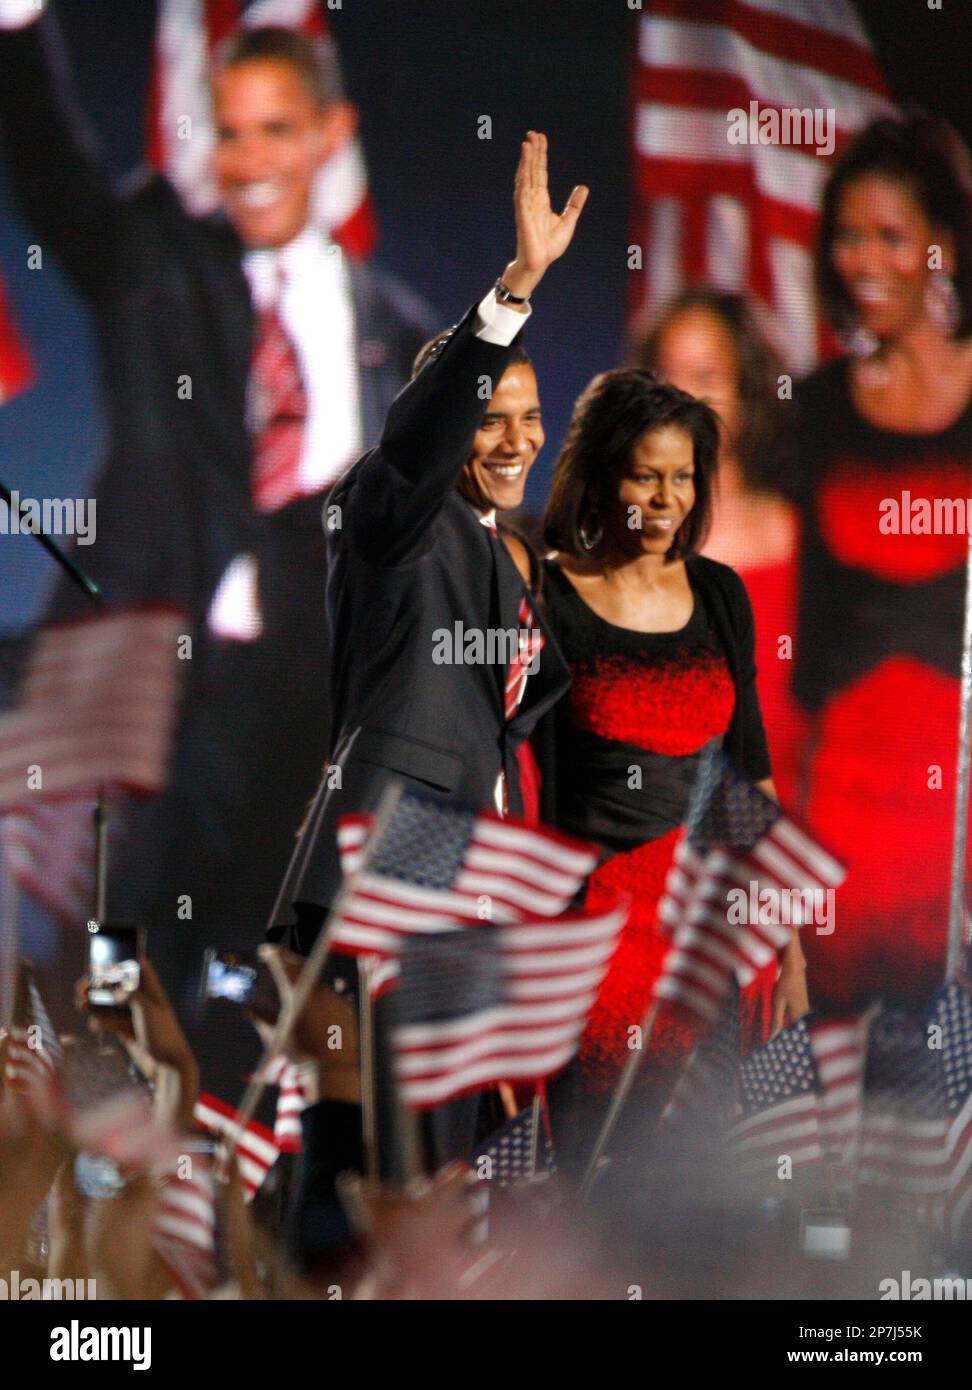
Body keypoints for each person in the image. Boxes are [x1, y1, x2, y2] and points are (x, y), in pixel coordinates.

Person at [0, 10, 435, 1092]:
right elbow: (54, 175)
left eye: (275, 130)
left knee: (276, 1025)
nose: (248, 162)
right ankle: (98, 1247)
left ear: (331, 134)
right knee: (107, 1010)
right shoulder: (158, 266)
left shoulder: (397, 330)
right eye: (229, 134)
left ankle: (251, 1243)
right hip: (158, 709)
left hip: (302, 726)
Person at [269, 131, 586, 1172]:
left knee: (455, 1195)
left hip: (473, 911)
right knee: (367, 1185)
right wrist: (517, 288)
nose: (514, 440)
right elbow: (417, 442)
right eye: (490, 417)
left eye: (532, 420)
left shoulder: (508, 559)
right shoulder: (388, 513)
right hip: (389, 887)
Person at [537, 369, 808, 1158]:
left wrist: (790, 947)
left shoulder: (721, 593)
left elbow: (751, 773)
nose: (666, 499)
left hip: (716, 947)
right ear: (602, 475)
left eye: (683, 478)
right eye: (645, 476)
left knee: (702, 1199)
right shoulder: (550, 596)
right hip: (600, 954)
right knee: (601, 1187)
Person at [784, 114, 972, 1009]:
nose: (863, 262)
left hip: (961, 812)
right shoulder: (815, 414)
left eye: (890, 236)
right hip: (847, 811)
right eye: (848, 237)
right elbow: (790, 631)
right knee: (846, 1106)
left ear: (943, 247)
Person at [637, 288, 808, 808]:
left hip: (782, 848)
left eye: (707, 378)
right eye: (670, 377)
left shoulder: (800, 537)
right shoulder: (619, 544)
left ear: (748, 389)